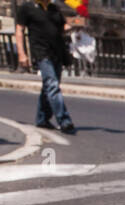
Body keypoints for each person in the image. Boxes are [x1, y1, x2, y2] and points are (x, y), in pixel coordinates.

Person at [14, 0, 75, 134]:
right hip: (41, 53)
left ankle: (42, 119)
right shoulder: (27, 8)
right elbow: (19, 30)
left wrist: (74, 22)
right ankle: (64, 120)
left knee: (49, 86)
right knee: (52, 85)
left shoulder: (54, 8)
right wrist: (21, 54)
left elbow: (62, 27)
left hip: (57, 53)